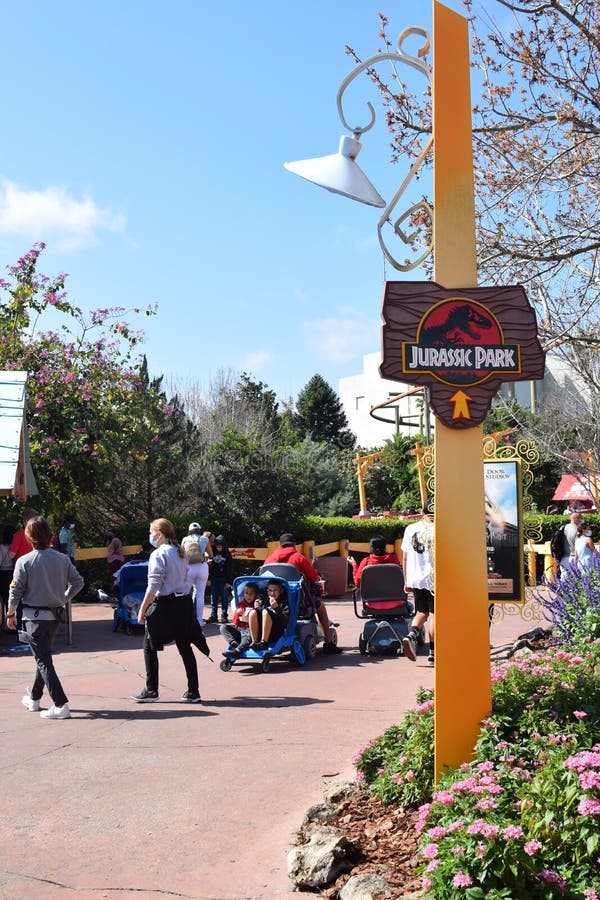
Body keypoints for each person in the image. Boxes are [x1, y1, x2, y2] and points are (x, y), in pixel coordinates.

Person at [6, 515, 84, 719]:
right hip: (55, 616)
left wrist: (10, 612)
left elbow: (15, 591)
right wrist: (63, 598)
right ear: (49, 534)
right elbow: (78, 582)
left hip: (34, 617)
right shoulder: (62, 559)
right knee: (43, 658)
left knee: (43, 660)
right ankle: (34, 698)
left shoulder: (25, 561)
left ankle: (61, 704)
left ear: (29, 537)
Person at [131, 518, 201, 704]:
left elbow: (153, 585)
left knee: (149, 645)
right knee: (185, 646)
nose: (150, 536)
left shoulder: (158, 554)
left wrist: (142, 609)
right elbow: (187, 581)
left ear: (159, 534)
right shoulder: (181, 552)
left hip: (165, 604)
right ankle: (193, 691)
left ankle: (151, 689)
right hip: (183, 602)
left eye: (151, 532)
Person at [263, 533, 342, 654]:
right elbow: (314, 577)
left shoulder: (269, 560)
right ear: (294, 545)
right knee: (320, 608)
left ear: (280, 545)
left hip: (273, 601)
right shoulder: (298, 557)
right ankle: (329, 642)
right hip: (298, 603)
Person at [401, 498, 435, 665]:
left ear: (422, 512)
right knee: (435, 614)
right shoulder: (439, 529)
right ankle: (433, 653)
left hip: (415, 577)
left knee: (421, 611)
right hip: (434, 578)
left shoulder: (410, 529)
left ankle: (412, 634)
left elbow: (405, 557)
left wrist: (406, 580)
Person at [221, 581, 261, 655]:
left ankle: (238, 650)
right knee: (223, 627)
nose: (248, 596)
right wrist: (237, 613)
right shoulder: (241, 604)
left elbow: (260, 620)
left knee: (247, 637)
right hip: (240, 630)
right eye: (246, 593)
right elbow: (235, 622)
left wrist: (256, 609)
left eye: (251, 593)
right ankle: (233, 643)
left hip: (250, 631)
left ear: (256, 595)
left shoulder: (257, 604)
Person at [249, 580, 290, 651]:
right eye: (270, 590)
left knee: (265, 611)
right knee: (252, 612)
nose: (272, 593)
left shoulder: (284, 602)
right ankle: (254, 642)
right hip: (261, 631)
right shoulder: (264, 600)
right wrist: (257, 608)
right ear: (267, 591)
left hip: (276, 632)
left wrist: (276, 608)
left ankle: (264, 643)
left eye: (275, 590)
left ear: (281, 591)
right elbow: (258, 615)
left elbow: (285, 621)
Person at [181, 522, 210, 625]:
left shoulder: (185, 539)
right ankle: (199, 620)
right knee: (200, 595)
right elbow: (211, 554)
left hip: (188, 568)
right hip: (202, 567)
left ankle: (184, 618)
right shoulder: (204, 539)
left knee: (184, 593)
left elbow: (181, 554)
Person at [205, 534, 233, 625]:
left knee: (224, 598)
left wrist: (229, 581)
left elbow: (230, 569)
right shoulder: (213, 552)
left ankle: (224, 615)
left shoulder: (227, 555)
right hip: (214, 578)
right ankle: (214, 616)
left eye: (220, 546)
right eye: (217, 546)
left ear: (224, 546)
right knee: (214, 598)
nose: (219, 548)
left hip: (224, 579)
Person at [558, 511, 584, 576]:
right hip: (573, 558)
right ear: (576, 519)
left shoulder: (563, 528)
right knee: (575, 581)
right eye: (581, 518)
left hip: (563, 558)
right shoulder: (578, 530)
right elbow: (578, 546)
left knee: (564, 580)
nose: (582, 520)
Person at [0, 524, 15, 628]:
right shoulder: (13, 546)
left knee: (3, 599)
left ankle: (3, 621)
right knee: (12, 598)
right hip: (12, 573)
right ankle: (12, 623)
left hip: (3, 573)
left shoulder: (1, 547)